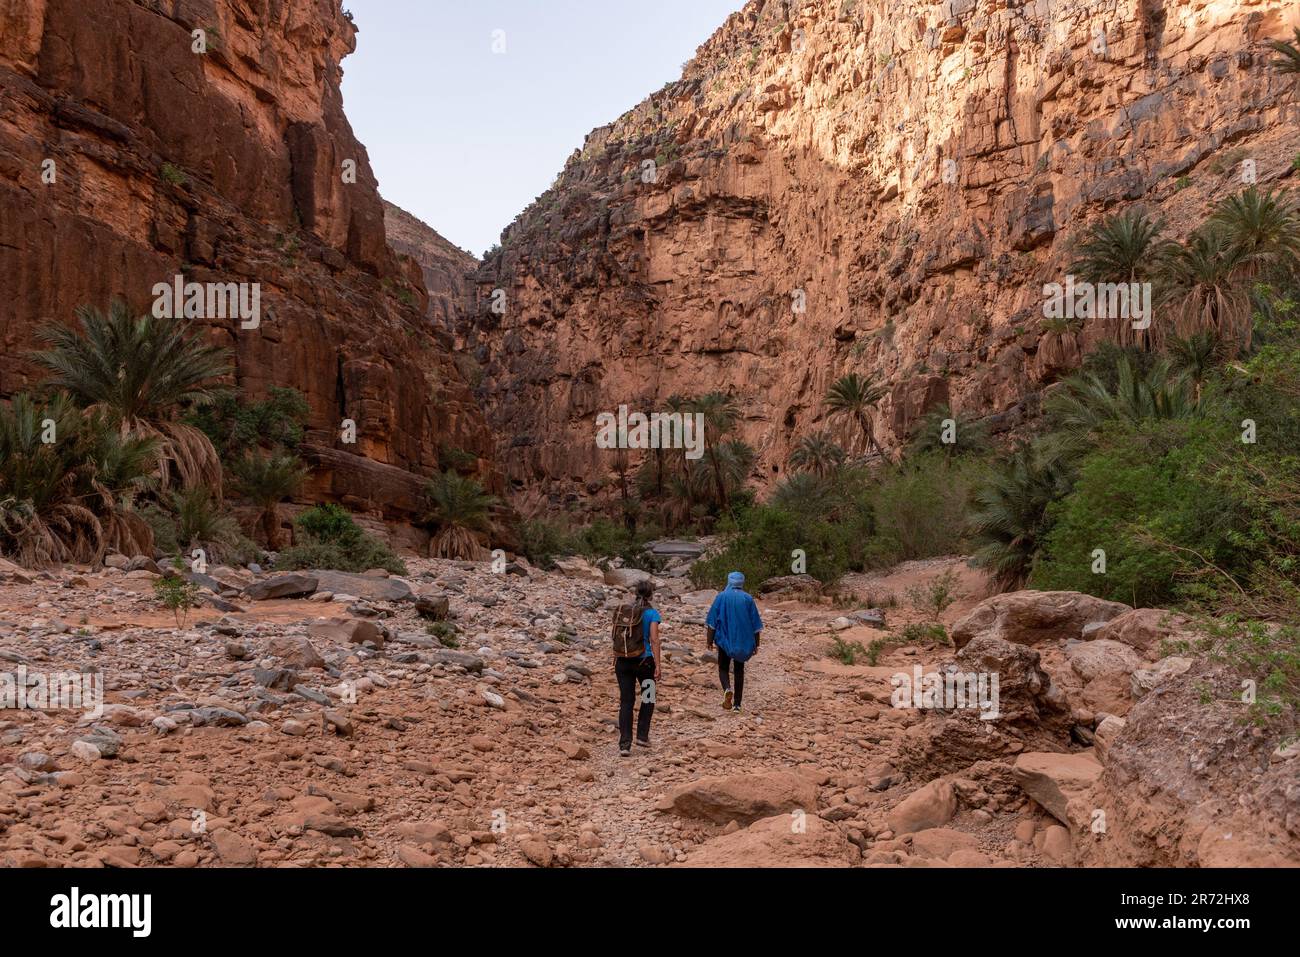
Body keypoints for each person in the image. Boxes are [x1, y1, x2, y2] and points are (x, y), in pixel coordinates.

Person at [613, 579, 661, 756]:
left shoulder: (625, 611)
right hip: (645, 663)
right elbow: (654, 640)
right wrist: (658, 664)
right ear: (651, 595)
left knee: (626, 701)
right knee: (648, 697)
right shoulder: (652, 614)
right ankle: (642, 736)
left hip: (623, 662)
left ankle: (625, 744)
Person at [705, 571, 763, 713]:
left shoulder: (721, 597)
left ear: (729, 581)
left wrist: (709, 641)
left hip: (724, 639)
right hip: (742, 640)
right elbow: (756, 625)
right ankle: (737, 705)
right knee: (739, 670)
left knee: (723, 668)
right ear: (742, 583)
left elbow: (712, 622)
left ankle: (727, 689)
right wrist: (756, 644)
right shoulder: (748, 598)